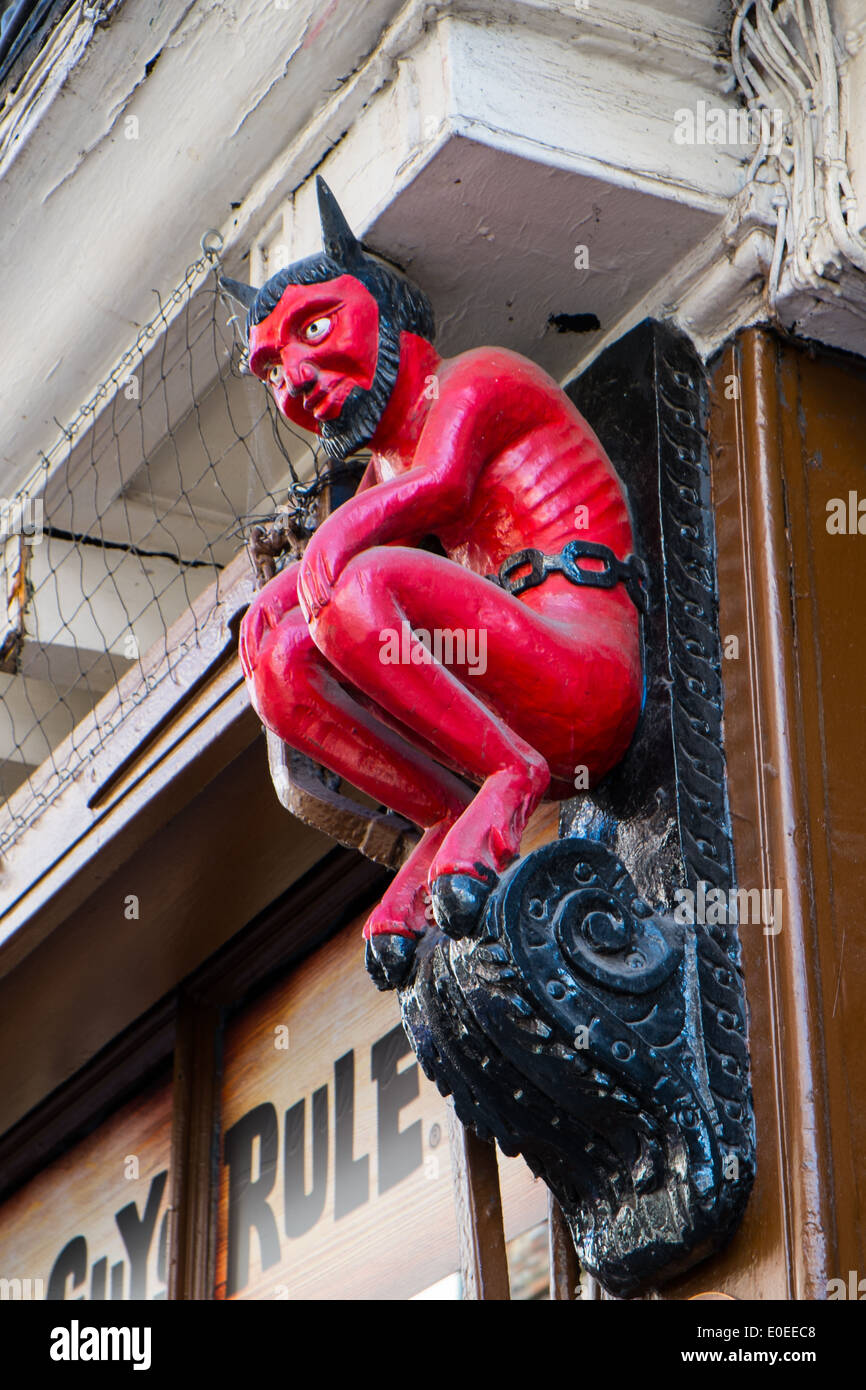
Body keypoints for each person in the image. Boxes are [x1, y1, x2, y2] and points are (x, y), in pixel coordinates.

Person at [222, 178, 645, 988]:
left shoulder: (476, 378)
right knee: (283, 660)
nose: (297, 381)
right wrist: (276, 609)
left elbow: (445, 485)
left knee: (355, 586)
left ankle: (504, 779)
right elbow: (360, 552)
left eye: (317, 330)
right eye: (273, 370)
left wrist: (334, 539)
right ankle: (446, 813)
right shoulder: (384, 467)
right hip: (526, 683)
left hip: (585, 670)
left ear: (388, 314)